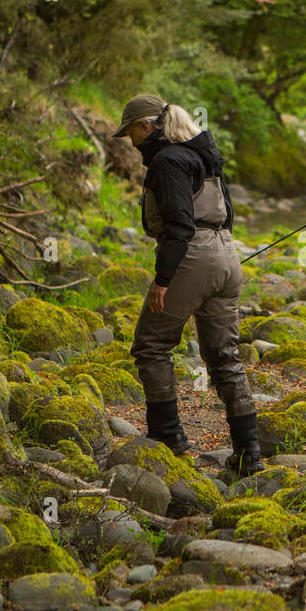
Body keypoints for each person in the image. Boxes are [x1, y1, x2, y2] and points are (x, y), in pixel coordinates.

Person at [112, 94, 263, 477]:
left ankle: (169, 440)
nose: (130, 143)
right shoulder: (204, 156)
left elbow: (179, 226)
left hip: (191, 257)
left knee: (150, 346)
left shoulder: (166, 162)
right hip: (227, 257)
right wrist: (216, 258)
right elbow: (226, 214)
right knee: (225, 358)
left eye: (130, 133)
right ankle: (250, 454)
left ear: (146, 126)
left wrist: (163, 281)